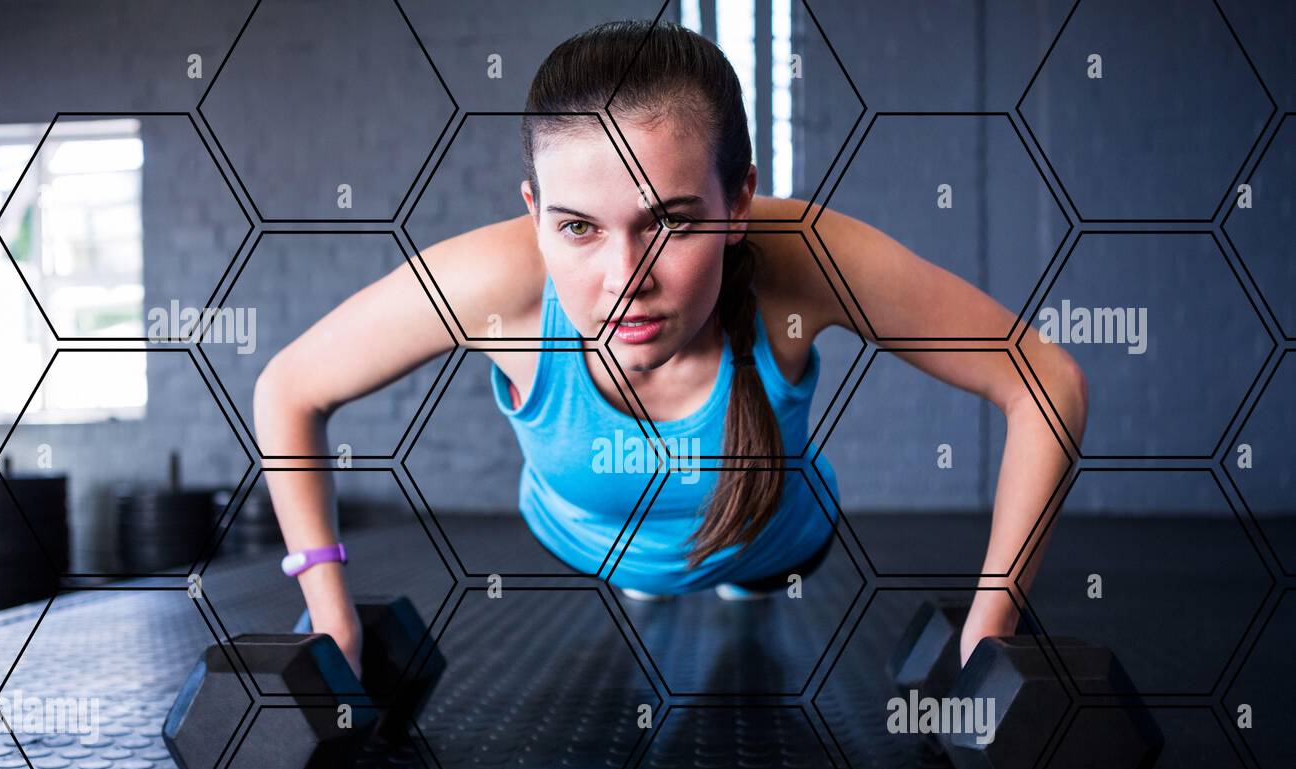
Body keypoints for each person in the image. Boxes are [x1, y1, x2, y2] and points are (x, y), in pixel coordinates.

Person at [253, 19, 1087, 680]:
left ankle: (722, 576)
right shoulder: (491, 281)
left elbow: (1045, 381)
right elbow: (289, 387)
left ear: (741, 201)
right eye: (577, 226)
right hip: (584, 536)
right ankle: (644, 572)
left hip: (775, 544)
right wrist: (330, 612)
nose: (625, 278)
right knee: (639, 570)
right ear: (534, 209)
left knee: (751, 585)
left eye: (673, 222)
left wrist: (991, 628)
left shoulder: (806, 257)